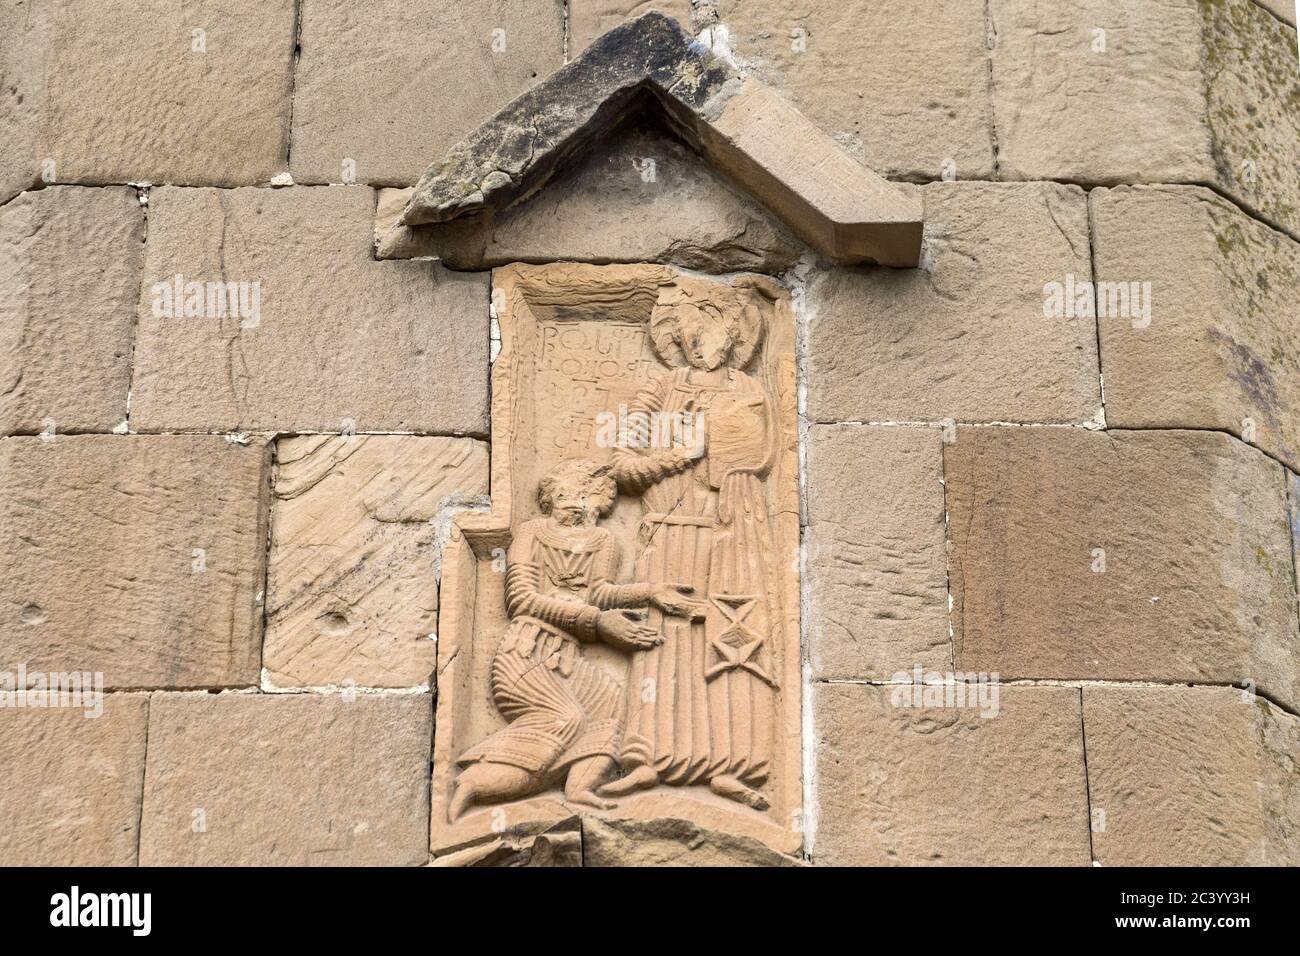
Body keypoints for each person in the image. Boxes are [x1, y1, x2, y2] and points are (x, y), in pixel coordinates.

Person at [448, 458, 699, 821]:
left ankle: (579, 789)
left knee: (613, 706)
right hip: (526, 652)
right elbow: (520, 599)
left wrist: (651, 592)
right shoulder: (533, 532)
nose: (575, 502)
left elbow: (599, 592)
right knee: (564, 718)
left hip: (568, 659)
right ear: (552, 495)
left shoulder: (603, 541)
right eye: (566, 492)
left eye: (585, 495)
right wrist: (597, 623)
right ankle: (473, 783)